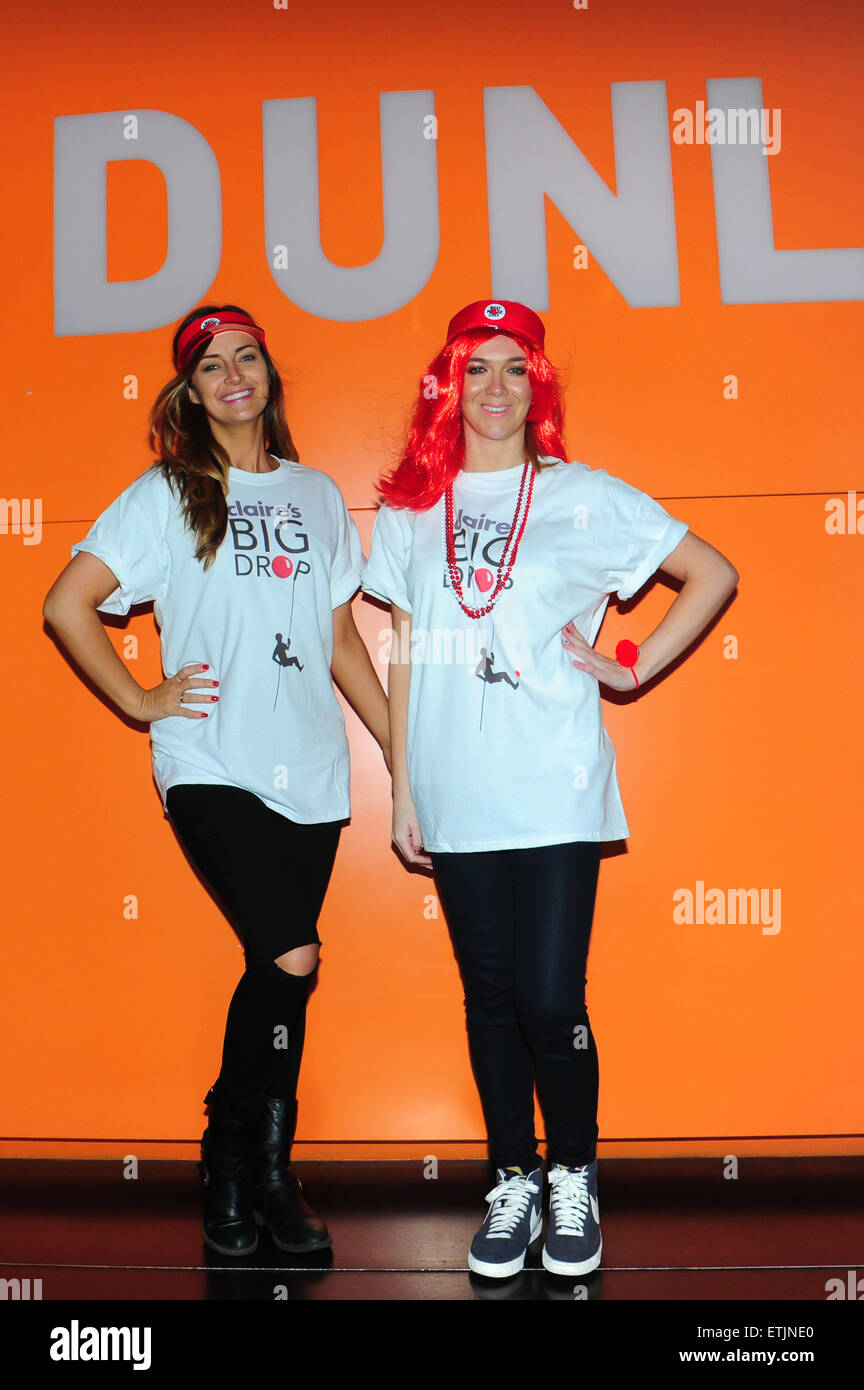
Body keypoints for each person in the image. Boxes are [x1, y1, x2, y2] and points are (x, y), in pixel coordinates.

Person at [361, 299, 738, 1279]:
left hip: (557, 786)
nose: (495, 388)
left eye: (514, 368)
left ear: (540, 385)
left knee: (546, 994)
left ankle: (573, 1173)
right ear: (448, 387)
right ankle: (512, 1179)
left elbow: (712, 572)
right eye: (474, 369)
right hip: (454, 786)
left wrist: (630, 663)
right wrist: (403, 783)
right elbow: (403, 654)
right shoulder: (409, 512)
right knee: (488, 997)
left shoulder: (582, 495)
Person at [42, 304, 390, 1257]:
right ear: (189, 392)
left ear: (268, 374)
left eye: (246, 357)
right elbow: (65, 602)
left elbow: (337, 640)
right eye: (210, 366)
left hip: (312, 767)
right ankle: (243, 1164)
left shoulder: (319, 495)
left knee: (276, 978)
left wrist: (400, 743)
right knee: (294, 958)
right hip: (210, 763)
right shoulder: (168, 491)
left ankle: (257, 1178)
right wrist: (140, 698)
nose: (233, 375)